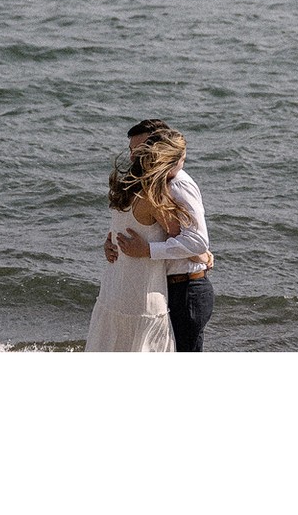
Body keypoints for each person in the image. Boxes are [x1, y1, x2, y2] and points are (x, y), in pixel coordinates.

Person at [103, 119, 214, 351]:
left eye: (141, 149)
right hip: (166, 287)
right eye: (133, 150)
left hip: (186, 290)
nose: (134, 157)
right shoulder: (151, 184)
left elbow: (197, 240)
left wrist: (199, 254)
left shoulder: (178, 184)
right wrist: (111, 240)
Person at [83, 136, 181, 352]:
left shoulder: (123, 191)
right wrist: (203, 255)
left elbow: (115, 231)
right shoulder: (152, 197)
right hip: (143, 291)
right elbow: (178, 235)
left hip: (114, 286)